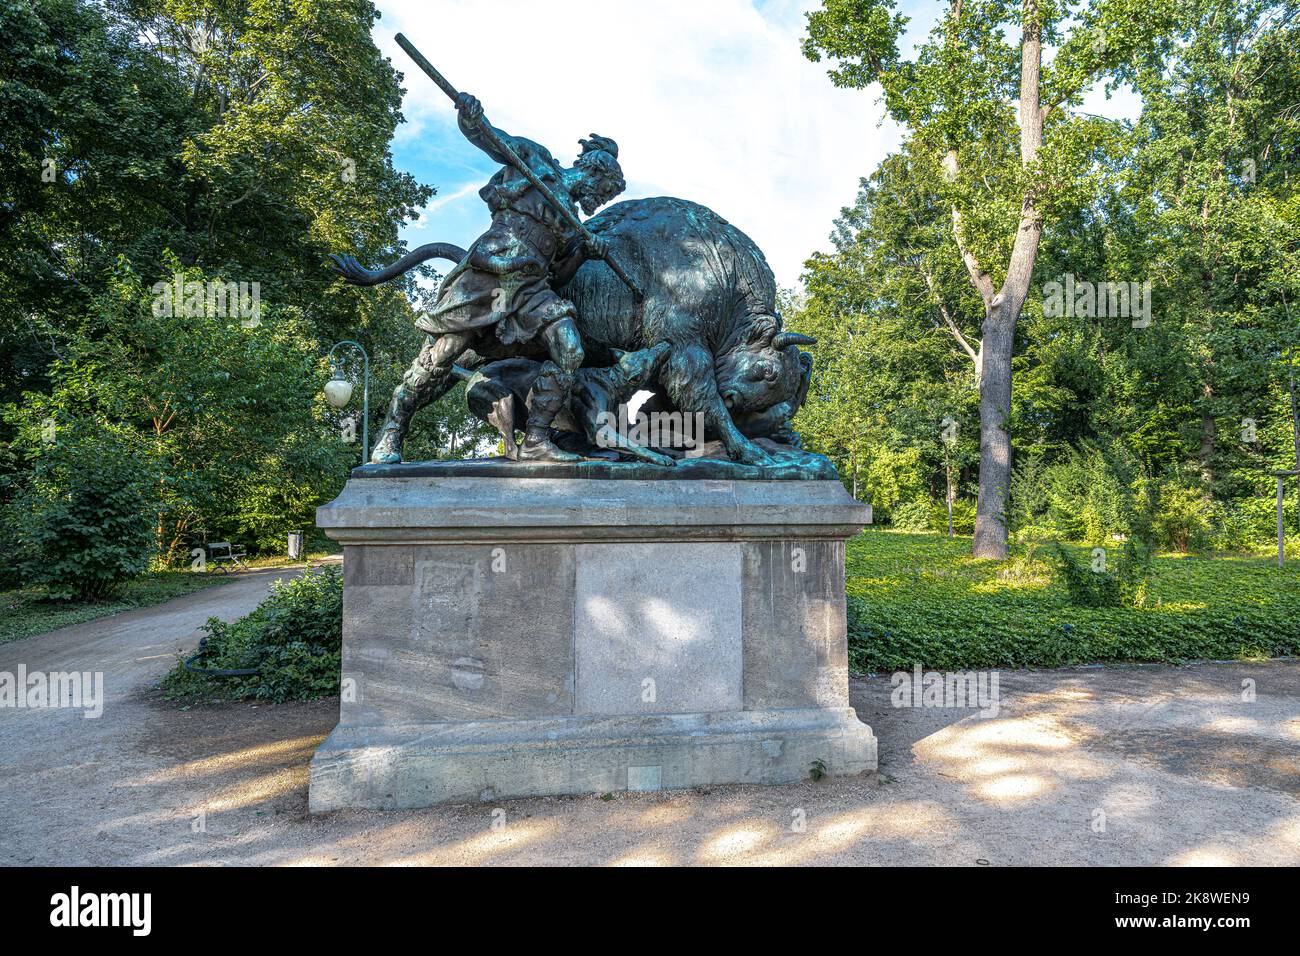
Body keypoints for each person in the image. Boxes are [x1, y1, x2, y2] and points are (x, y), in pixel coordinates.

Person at [369, 92, 626, 464]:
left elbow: (560, 272)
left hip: (534, 288)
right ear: (596, 174)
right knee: (444, 354)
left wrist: (586, 252)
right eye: (604, 193)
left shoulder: (573, 222)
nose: (599, 202)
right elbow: (491, 140)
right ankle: (394, 428)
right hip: (491, 271)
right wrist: (472, 119)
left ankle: (536, 439)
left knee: (570, 348)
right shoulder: (535, 161)